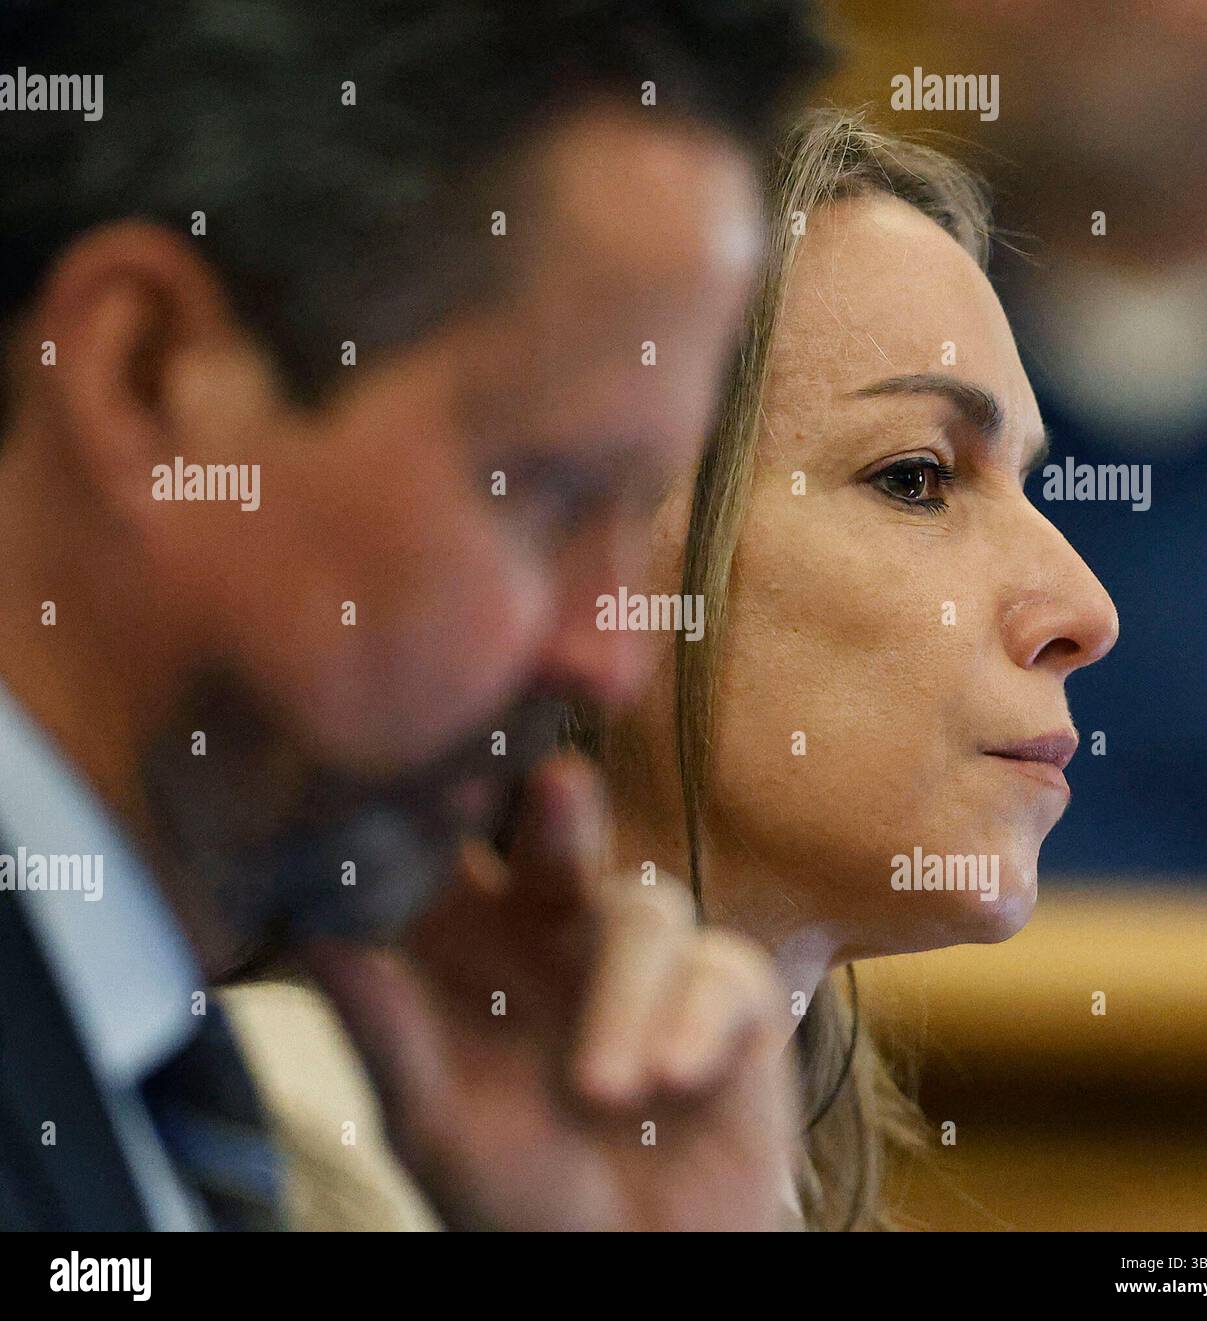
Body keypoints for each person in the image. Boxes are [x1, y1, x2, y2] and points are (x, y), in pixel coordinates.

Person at [0, 0, 829, 1231]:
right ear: (144, 373)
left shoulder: (152, 1082)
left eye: (642, 512)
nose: (610, 657)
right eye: (551, 496)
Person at [570, 108, 1120, 1228]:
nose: (1084, 611)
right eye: (918, 477)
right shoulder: (282, 1155)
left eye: (1025, 482)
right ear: (566, 542)